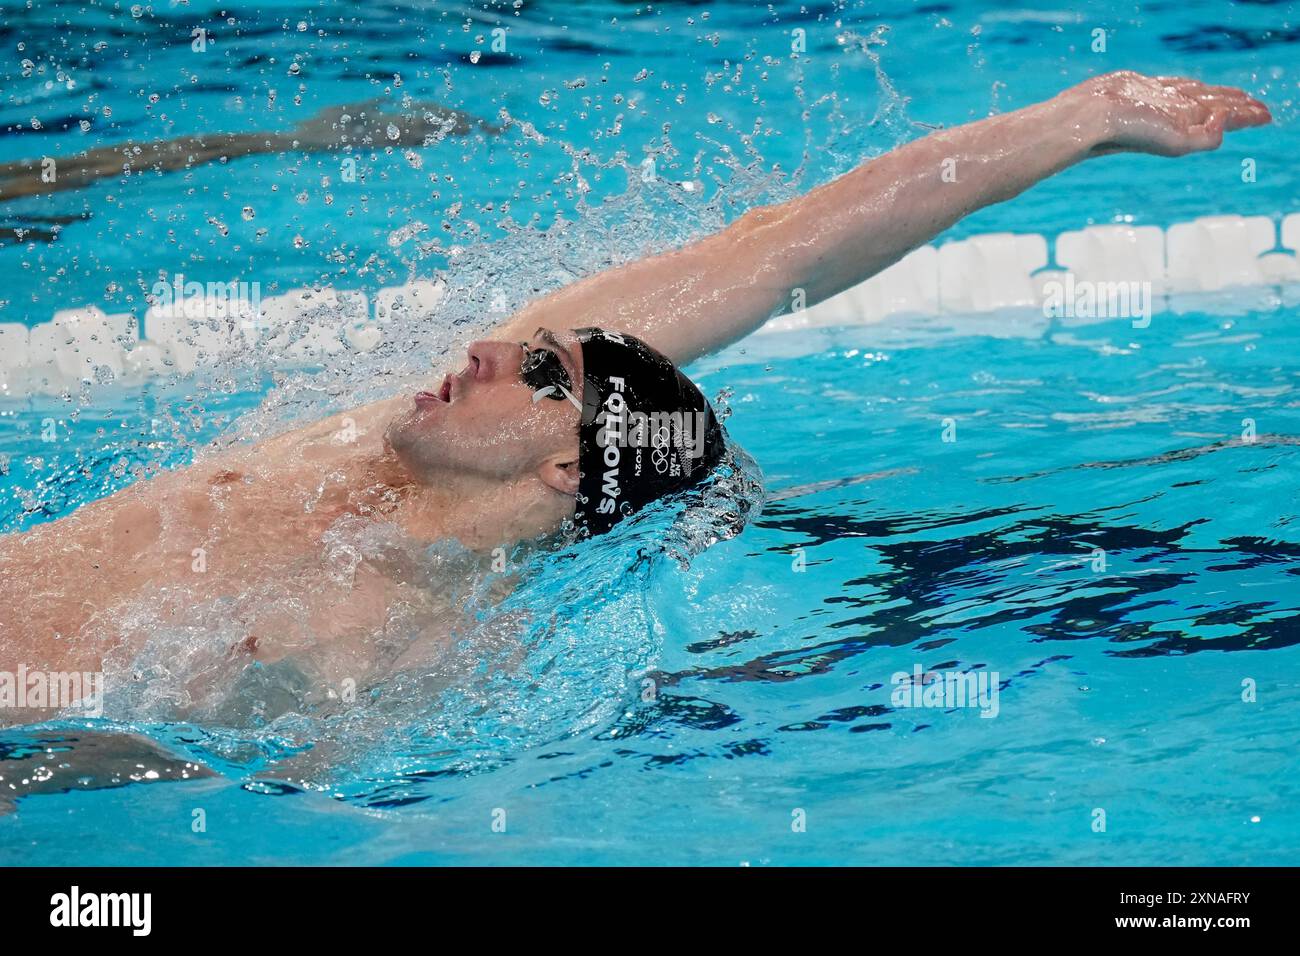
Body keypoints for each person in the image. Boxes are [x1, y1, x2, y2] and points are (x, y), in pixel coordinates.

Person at [0, 72, 1270, 722]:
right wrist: (1083, 114)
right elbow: (787, 246)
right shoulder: (378, 435)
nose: (501, 347)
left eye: (542, 370)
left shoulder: (399, 645)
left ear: (567, 472)